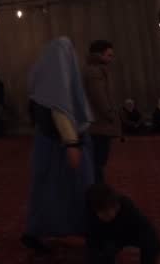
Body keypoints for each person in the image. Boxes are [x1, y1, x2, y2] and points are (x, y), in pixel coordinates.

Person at [21, 37, 95, 254]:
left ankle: (39, 231)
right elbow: (61, 110)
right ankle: (47, 230)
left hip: (46, 142)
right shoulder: (57, 81)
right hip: (60, 145)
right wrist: (72, 143)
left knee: (48, 189)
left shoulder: (40, 76)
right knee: (69, 188)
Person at [85, 183, 160, 264]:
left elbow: (145, 227)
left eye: (111, 209)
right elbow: (92, 244)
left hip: (127, 233)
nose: (109, 215)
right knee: (104, 253)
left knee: (149, 242)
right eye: (104, 213)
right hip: (108, 239)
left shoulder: (125, 205)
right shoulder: (92, 217)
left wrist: (157, 251)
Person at [84, 40, 119, 184]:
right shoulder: (94, 71)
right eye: (109, 55)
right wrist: (110, 115)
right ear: (99, 55)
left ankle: (97, 187)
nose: (111, 59)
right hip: (99, 123)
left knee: (98, 160)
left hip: (99, 123)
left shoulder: (98, 70)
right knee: (97, 160)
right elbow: (99, 97)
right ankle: (97, 189)